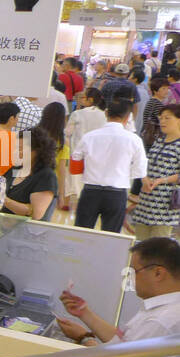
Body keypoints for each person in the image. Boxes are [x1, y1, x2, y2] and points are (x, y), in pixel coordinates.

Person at [57, 237, 180, 357]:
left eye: (133, 271)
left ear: (158, 273)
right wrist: (84, 313)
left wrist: (85, 339)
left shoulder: (160, 322)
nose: (129, 277)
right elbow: (124, 341)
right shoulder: (162, 309)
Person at [73, 98, 148, 234]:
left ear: (106, 113)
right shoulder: (134, 140)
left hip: (90, 191)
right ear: (128, 117)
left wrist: (87, 172)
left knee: (82, 234)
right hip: (117, 193)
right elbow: (140, 172)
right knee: (111, 236)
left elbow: (74, 164)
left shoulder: (89, 137)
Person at [130, 103, 180, 241]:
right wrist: (144, 178)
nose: (162, 121)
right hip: (146, 200)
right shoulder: (158, 141)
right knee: (140, 244)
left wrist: (162, 180)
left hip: (164, 206)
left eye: (167, 118)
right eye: (161, 118)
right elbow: (146, 165)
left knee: (157, 247)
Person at [2, 126, 59, 222]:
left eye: (21, 149)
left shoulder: (46, 176)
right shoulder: (15, 169)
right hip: (4, 229)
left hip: (27, 233)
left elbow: (36, 214)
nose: (17, 152)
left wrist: (3, 200)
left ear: (37, 150)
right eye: (16, 148)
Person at [141, 76, 171, 150]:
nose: (166, 91)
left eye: (167, 88)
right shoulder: (157, 104)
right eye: (163, 88)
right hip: (154, 139)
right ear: (155, 90)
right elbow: (165, 122)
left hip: (148, 137)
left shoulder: (152, 102)